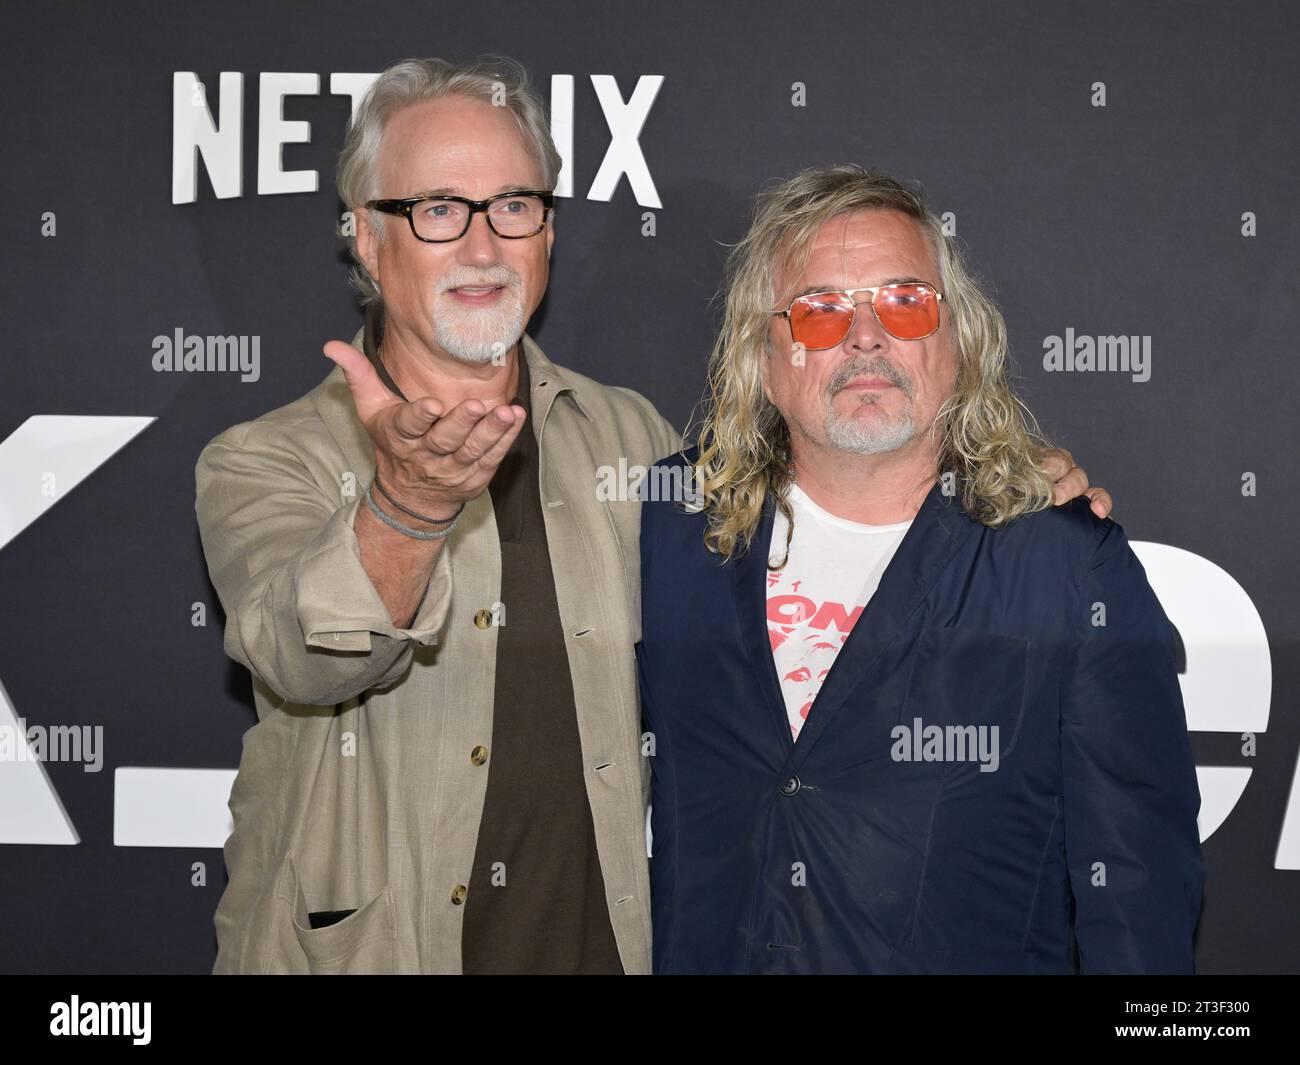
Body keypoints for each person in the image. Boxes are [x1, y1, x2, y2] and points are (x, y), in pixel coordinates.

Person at [195, 56, 1109, 974]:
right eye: (437, 209)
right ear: (365, 235)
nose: (482, 247)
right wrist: (406, 503)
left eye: (514, 206)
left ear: (547, 234)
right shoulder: (268, 460)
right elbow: (302, 655)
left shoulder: (631, 440)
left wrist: (1002, 482)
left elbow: (833, 491)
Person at [636, 165, 1201, 974]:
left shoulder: (1070, 570)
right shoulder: (672, 527)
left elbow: (1140, 900)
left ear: (959, 341)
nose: (866, 336)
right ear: (762, 357)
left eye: (905, 302)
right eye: (821, 310)